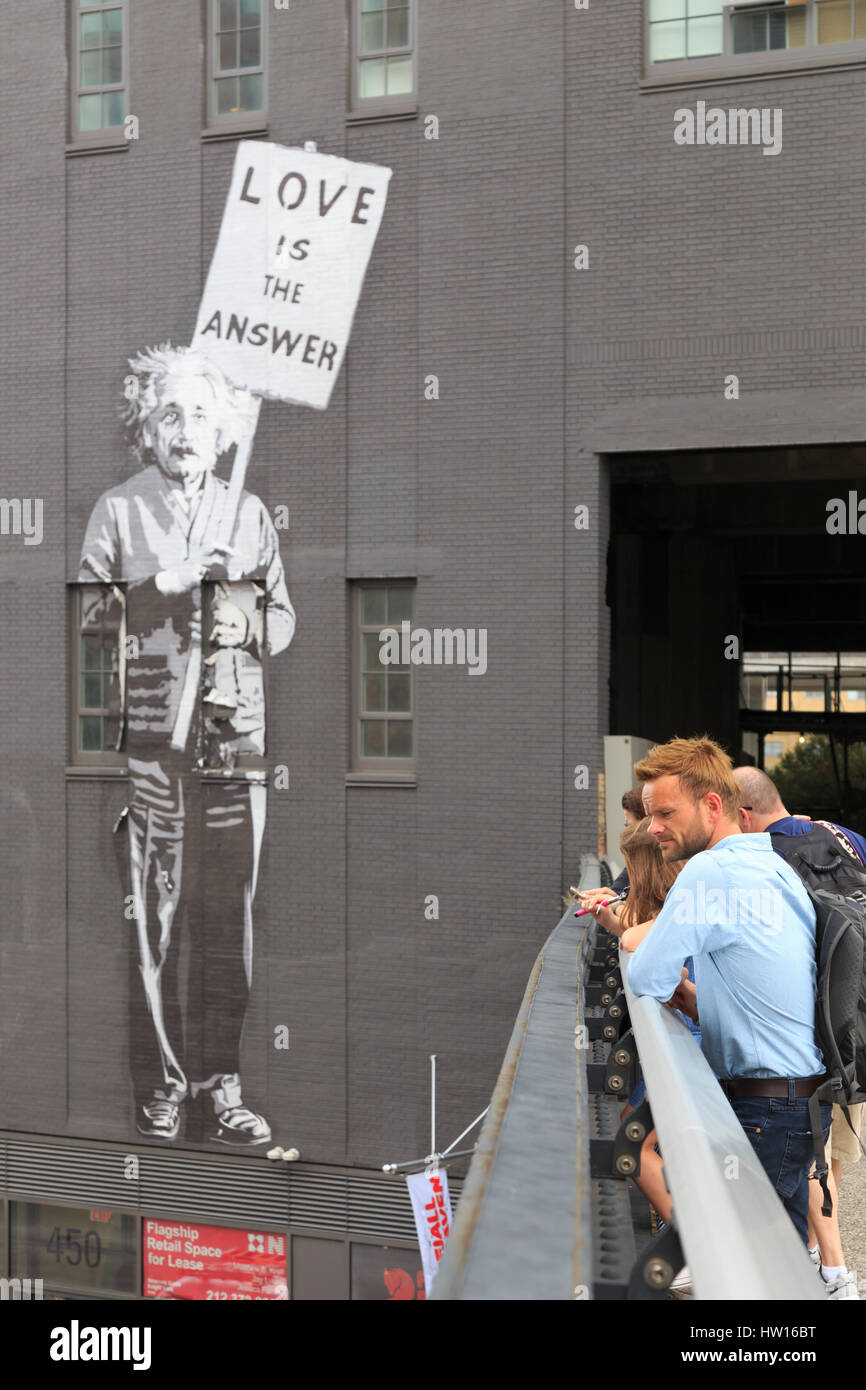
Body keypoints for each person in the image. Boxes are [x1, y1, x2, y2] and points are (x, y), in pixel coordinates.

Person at [79, 344, 295, 1146]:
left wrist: (237, 618)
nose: (186, 428)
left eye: (201, 413)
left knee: (225, 922)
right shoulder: (119, 511)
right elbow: (89, 622)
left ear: (226, 427)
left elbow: (284, 619)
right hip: (154, 751)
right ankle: (162, 1084)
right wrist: (162, 588)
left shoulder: (250, 515)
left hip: (234, 746)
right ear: (147, 425)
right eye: (170, 412)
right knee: (157, 925)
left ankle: (220, 1079)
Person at [624, 736, 831, 1248]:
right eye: (650, 815)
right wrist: (700, 999)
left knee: (749, 1257)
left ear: (711, 806)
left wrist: (676, 986)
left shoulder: (710, 871)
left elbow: (645, 975)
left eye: (665, 813)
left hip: (768, 1108)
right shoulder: (773, 865)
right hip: (797, 1100)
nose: (653, 828)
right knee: (776, 1256)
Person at [732, 764, 862, 1299]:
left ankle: (833, 1275)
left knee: (805, 1151)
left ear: (741, 815)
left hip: (804, 1034)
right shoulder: (844, 838)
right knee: (826, 1157)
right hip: (855, 1027)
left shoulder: (760, 860)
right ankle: (822, 1264)